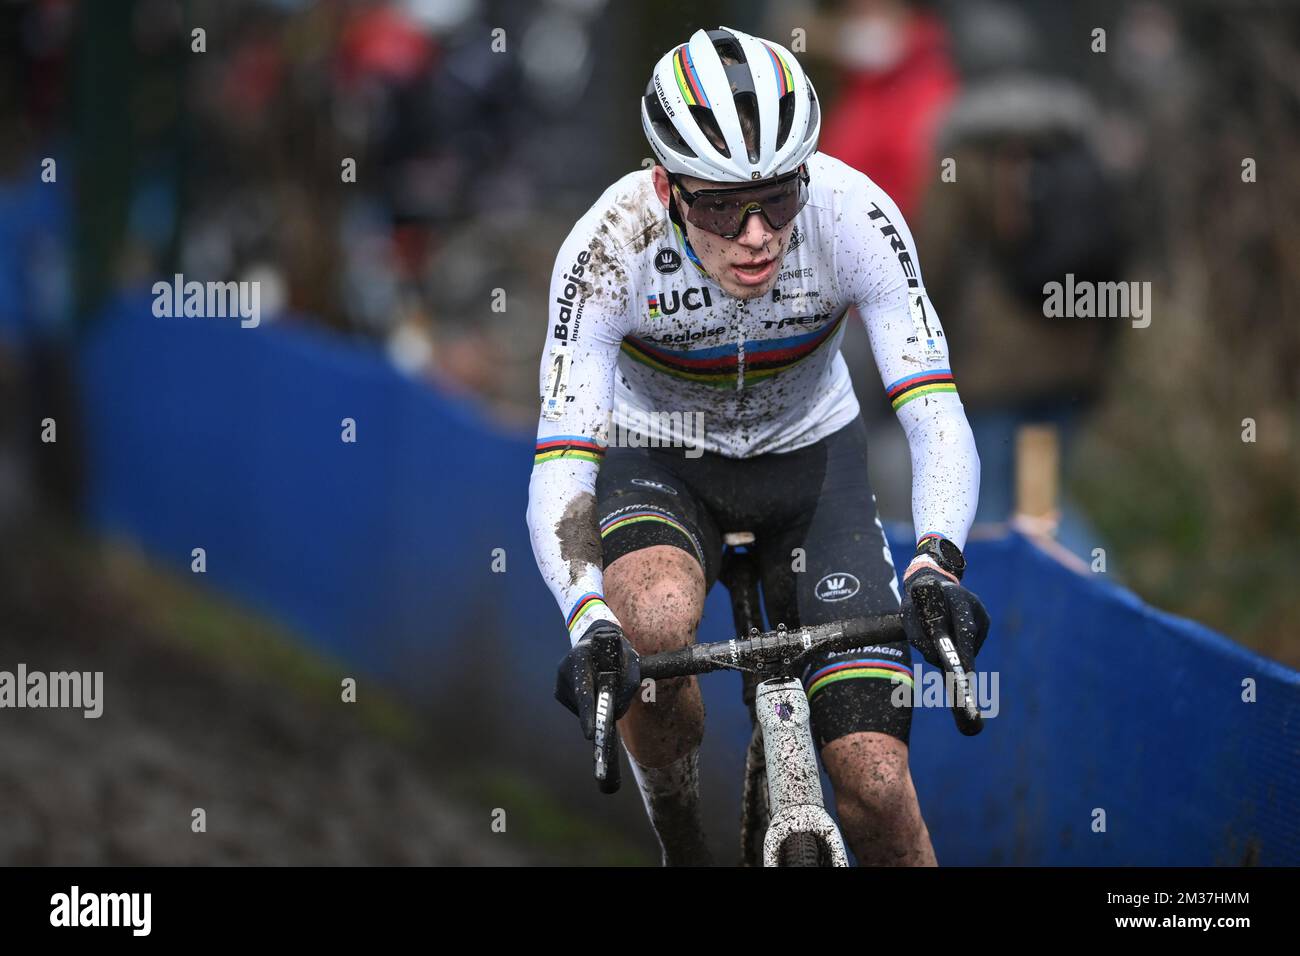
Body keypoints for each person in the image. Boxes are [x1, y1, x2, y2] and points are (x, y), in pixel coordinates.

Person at [526, 26, 988, 866]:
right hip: (659, 462)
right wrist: (587, 616)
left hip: (811, 466)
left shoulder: (854, 213)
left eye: (777, 198)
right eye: (718, 205)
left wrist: (934, 562)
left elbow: (935, 411)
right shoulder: (607, 248)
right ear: (666, 186)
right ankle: (682, 843)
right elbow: (563, 460)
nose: (755, 235)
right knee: (655, 623)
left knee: (878, 785)